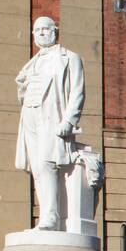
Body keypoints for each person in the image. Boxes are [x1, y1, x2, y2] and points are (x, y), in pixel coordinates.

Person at [15, 17, 86, 231]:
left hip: (52, 114)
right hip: (30, 114)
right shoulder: (32, 62)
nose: (41, 33)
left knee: (48, 163)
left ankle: (52, 216)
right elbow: (23, 93)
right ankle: (45, 215)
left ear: (55, 32)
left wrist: (69, 119)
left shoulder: (70, 58)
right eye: (37, 30)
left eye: (46, 29)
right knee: (37, 167)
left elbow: (78, 91)